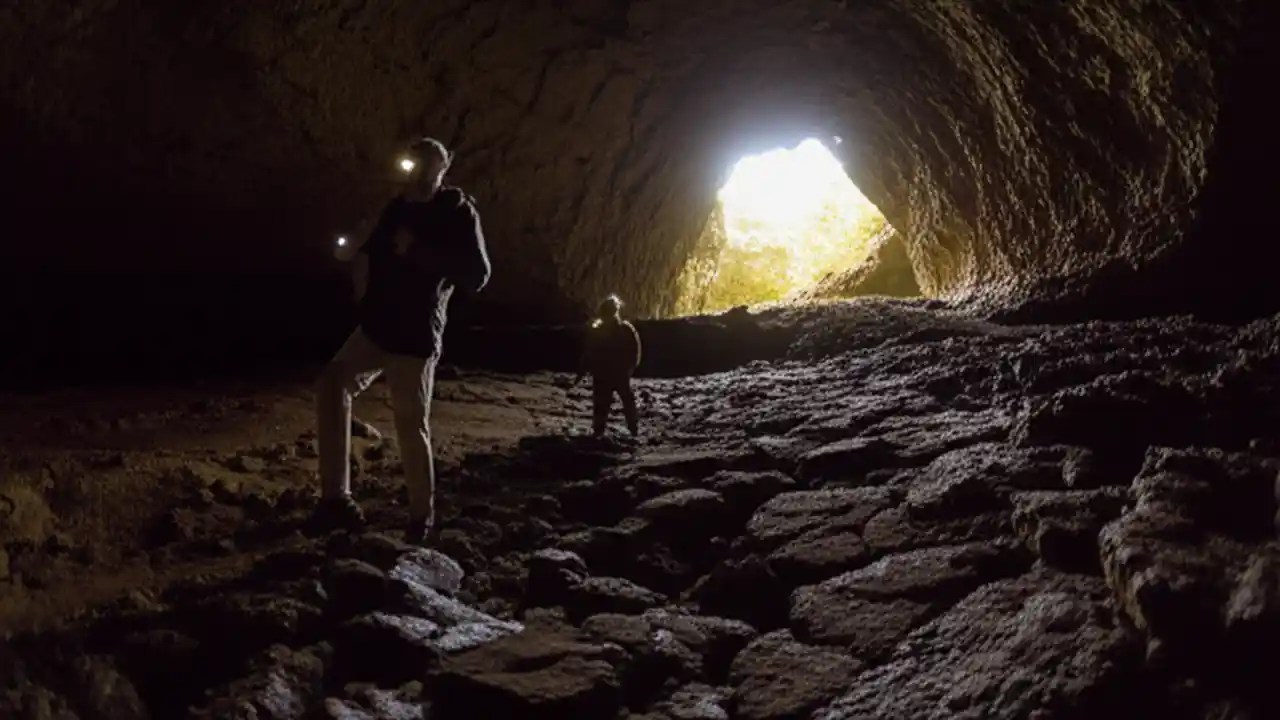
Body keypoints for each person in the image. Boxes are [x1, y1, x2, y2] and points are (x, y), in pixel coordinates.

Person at [312, 137, 490, 544]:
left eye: (432, 161)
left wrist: (420, 252)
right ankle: (336, 499)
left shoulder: (458, 212)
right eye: (417, 160)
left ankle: (420, 518)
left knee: (410, 425)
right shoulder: (395, 209)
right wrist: (351, 250)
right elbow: (365, 250)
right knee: (332, 383)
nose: (423, 168)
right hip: (377, 328)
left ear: (446, 165)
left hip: (415, 336)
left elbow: (478, 274)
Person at [576, 294, 642, 437]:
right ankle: (632, 429)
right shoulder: (625, 329)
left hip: (605, 373)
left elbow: (588, 354)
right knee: (625, 402)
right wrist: (630, 368)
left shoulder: (599, 331)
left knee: (603, 404)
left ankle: (599, 431)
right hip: (616, 373)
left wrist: (582, 372)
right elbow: (635, 351)